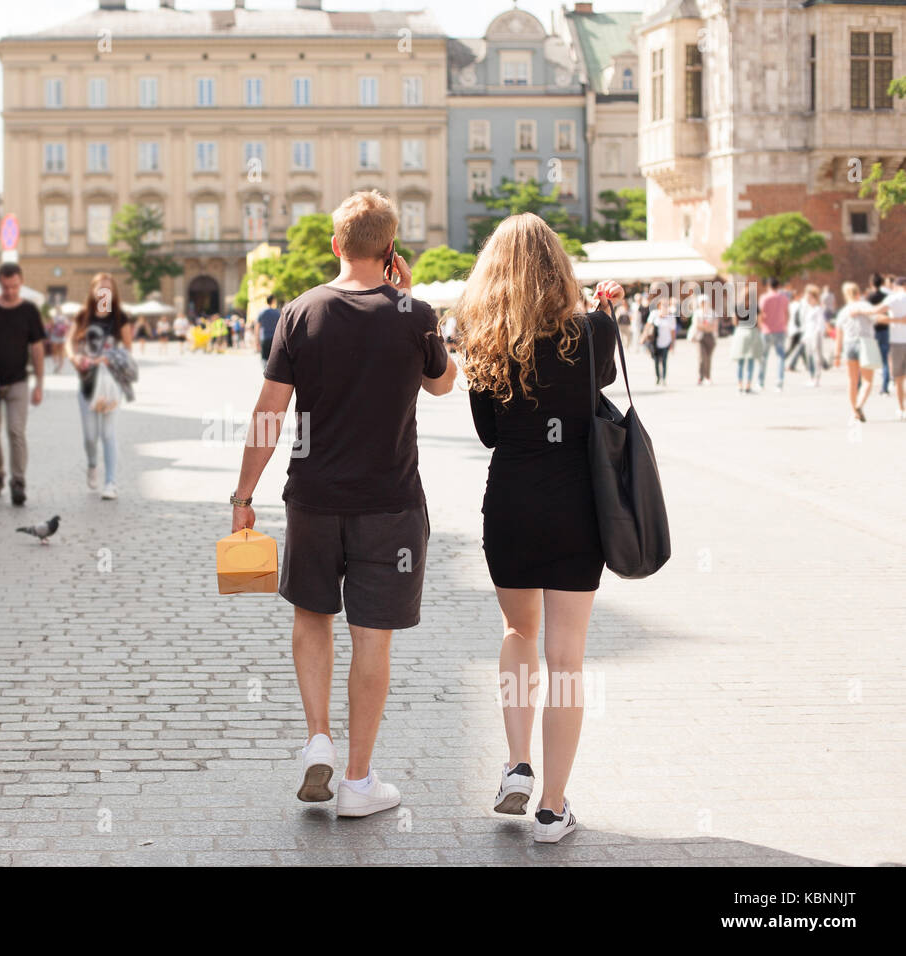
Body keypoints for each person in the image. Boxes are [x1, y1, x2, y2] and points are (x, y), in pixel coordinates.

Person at [231, 190, 457, 819]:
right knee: (372, 640)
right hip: (391, 503)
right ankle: (359, 782)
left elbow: (268, 413)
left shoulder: (299, 313)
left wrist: (243, 495)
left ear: (335, 245)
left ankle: (317, 741)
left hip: (314, 498)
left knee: (311, 616)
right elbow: (444, 384)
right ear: (391, 251)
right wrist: (409, 297)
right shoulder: (415, 313)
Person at [460, 215, 619, 844]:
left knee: (518, 631)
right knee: (567, 658)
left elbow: (488, 433)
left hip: (512, 504)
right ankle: (553, 807)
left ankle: (517, 764)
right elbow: (599, 388)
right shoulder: (595, 330)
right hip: (578, 504)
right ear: (560, 267)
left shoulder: (481, 336)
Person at [0, 263, 47, 506]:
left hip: (18, 381)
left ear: (21, 282)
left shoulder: (29, 310)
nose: (11, 291)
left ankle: (18, 481)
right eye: (6, 287)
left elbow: (36, 347)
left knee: (16, 431)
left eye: (14, 286)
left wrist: (39, 383)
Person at [67, 273, 133, 500]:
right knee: (90, 436)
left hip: (111, 382)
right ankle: (93, 464)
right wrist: (74, 358)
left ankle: (111, 483)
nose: (104, 293)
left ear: (113, 293)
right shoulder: (83, 316)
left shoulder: (120, 318)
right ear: (93, 291)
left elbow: (127, 348)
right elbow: (70, 341)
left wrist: (110, 358)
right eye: (100, 289)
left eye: (108, 289)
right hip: (87, 382)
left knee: (108, 433)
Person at [833, 281, 887, 423]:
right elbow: (879, 318)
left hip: (849, 344)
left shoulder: (843, 311)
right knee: (868, 381)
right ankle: (859, 405)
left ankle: (853, 411)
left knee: (852, 380)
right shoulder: (865, 306)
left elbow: (839, 335)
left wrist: (837, 355)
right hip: (866, 343)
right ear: (858, 293)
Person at [757, 278, 790, 391]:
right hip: (780, 330)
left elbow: (760, 314)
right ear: (778, 286)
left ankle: (760, 383)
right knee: (781, 357)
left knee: (763, 357)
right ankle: (779, 383)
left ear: (768, 285)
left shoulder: (764, 298)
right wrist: (785, 325)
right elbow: (787, 313)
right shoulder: (784, 298)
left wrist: (760, 326)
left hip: (767, 330)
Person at [731, 286, 764, 393]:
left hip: (740, 332)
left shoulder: (737, 306)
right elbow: (759, 323)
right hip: (751, 332)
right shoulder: (755, 307)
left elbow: (734, 322)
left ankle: (740, 385)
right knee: (750, 360)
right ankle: (748, 386)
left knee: (740, 361)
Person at [882, 275, 906, 420]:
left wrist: (892, 319)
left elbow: (877, 313)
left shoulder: (893, 298)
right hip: (898, 341)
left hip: (897, 341)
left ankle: (901, 407)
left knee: (898, 378)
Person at [795, 285, 827, 386]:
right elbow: (806, 324)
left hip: (815, 336)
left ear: (814, 297)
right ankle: (812, 377)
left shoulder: (818, 309)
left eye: (809, 297)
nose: (807, 299)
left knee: (816, 357)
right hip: (808, 336)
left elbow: (820, 324)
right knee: (809, 357)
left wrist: (817, 335)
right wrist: (805, 336)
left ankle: (816, 379)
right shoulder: (808, 309)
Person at [866, 272, 891, 395]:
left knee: (867, 360)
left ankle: (863, 385)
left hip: (872, 331)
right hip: (885, 329)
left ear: (871, 283)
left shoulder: (869, 298)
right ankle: (884, 386)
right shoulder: (887, 297)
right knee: (885, 359)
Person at [688, 293, 718, 385]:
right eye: (702, 303)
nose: (703, 304)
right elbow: (697, 326)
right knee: (701, 357)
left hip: (710, 337)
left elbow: (714, 326)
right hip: (700, 337)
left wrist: (706, 327)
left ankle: (707, 377)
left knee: (708, 358)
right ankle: (700, 377)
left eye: (705, 302)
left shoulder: (713, 313)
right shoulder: (697, 313)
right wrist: (707, 327)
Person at [647, 296, 676, 386]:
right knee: (656, 361)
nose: (665, 307)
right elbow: (648, 326)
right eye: (663, 305)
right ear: (659, 306)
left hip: (666, 342)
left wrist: (673, 343)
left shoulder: (671, 317)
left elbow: (673, 332)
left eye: (667, 305)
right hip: (655, 342)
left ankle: (663, 378)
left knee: (664, 361)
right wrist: (644, 337)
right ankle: (658, 377)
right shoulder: (654, 314)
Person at [256, 296, 281, 369]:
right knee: (274, 359)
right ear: (273, 301)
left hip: (264, 338)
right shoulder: (277, 312)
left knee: (264, 359)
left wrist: (257, 341)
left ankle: (266, 375)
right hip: (275, 338)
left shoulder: (262, 312)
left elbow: (257, 327)